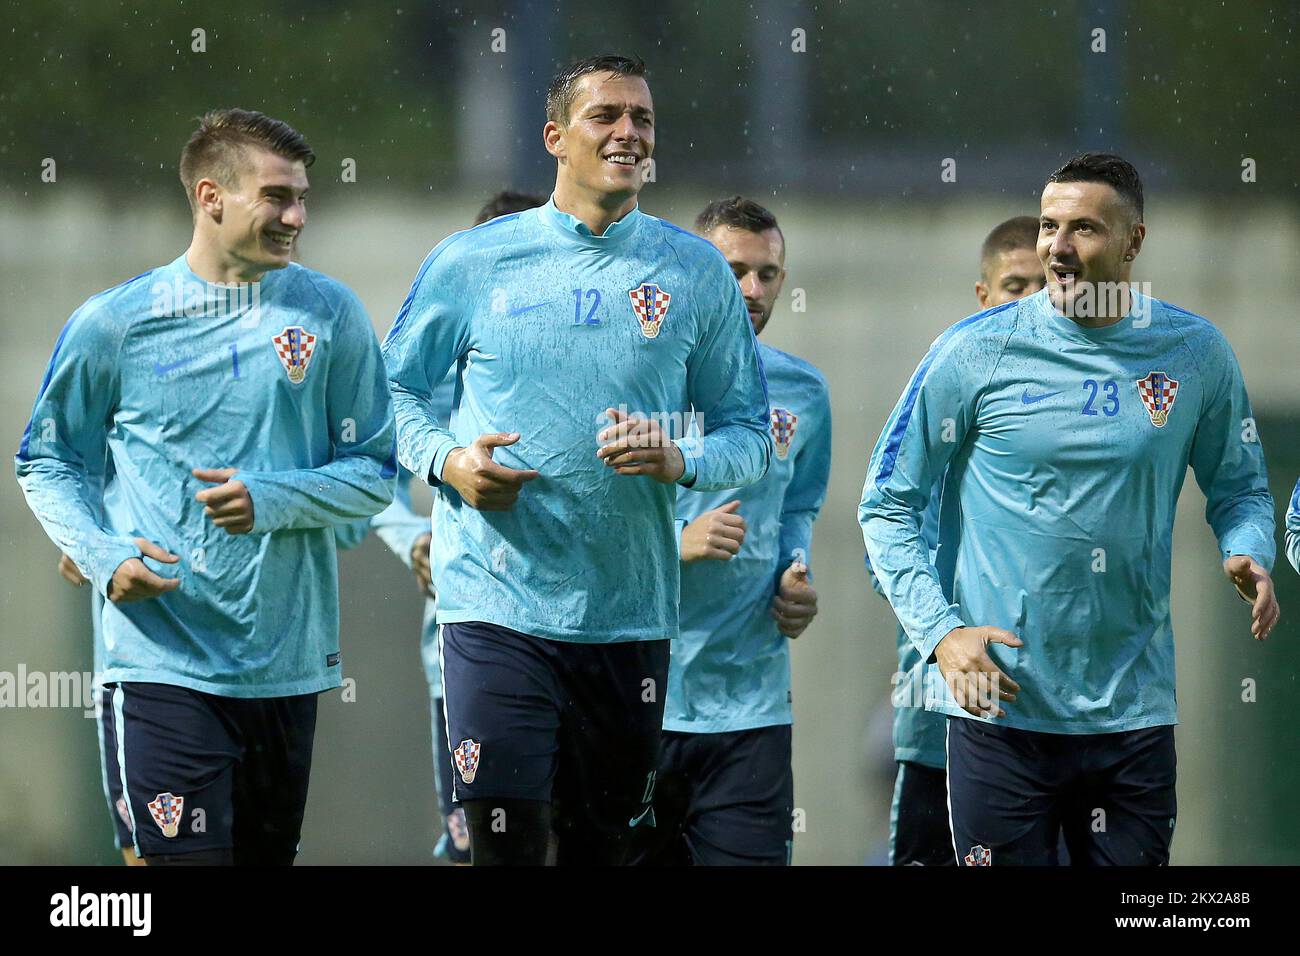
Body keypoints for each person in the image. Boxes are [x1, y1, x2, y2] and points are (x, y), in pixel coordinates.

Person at [382, 54, 772, 865]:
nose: (629, 132)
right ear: (556, 136)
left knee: (601, 851)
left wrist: (679, 456)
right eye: (607, 116)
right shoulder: (472, 260)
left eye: (643, 118)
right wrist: (450, 463)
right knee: (505, 840)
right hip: (494, 610)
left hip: (626, 620)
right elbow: (389, 399)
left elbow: (750, 435)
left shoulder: (694, 271)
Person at [859, 153, 1276, 866]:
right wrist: (942, 634)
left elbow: (1240, 487)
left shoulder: (1194, 353)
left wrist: (1249, 547)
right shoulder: (972, 351)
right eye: (1050, 225)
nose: (1057, 247)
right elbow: (886, 504)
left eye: (1083, 228)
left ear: (1133, 242)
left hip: (1134, 715)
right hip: (1001, 716)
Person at [16, 108, 396, 865]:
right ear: (210, 196)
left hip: (284, 667)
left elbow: (376, 473)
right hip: (162, 664)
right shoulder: (116, 324)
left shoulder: (331, 315)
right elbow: (50, 461)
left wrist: (272, 500)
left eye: (302, 199)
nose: (295, 216)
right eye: (276, 197)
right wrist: (98, 550)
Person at [633, 196, 830, 866]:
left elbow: (800, 506)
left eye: (768, 273)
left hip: (751, 709)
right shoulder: (638, 376)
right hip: (637, 701)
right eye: (733, 269)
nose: (752, 289)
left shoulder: (802, 391)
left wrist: (796, 575)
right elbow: (579, 524)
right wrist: (673, 546)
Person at [362, 189, 546, 865]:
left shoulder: (586, 361)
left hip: (580, 640)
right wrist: (412, 534)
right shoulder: (431, 374)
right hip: (467, 644)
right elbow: (367, 468)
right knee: (485, 847)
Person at [873, 215, 1045, 866]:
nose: (1027, 304)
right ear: (983, 297)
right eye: (1012, 286)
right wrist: (947, 631)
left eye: (1041, 288)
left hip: (1058, 721)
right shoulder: (943, 399)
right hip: (943, 717)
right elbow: (882, 542)